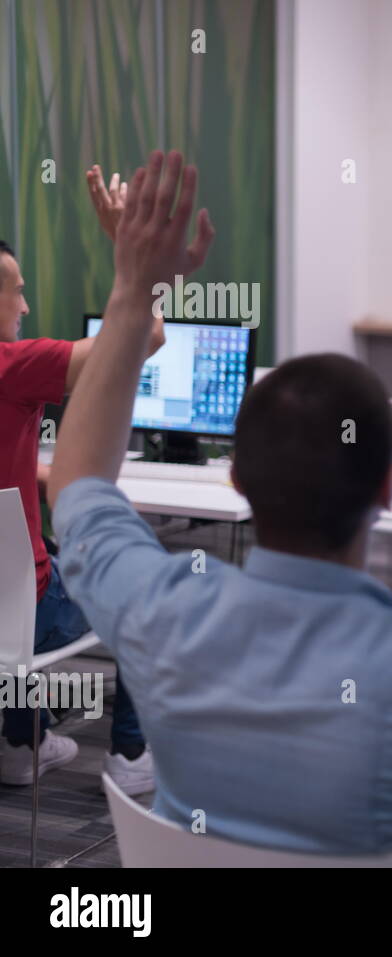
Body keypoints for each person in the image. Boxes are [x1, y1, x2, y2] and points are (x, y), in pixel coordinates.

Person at [48, 150, 392, 865]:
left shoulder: (162, 612)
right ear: (389, 487)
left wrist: (133, 289)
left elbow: (78, 486)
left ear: (236, 479)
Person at [0, 165, 156, 794]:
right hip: (22, 613)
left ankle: (21, 743)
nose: (26, 305)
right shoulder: (15, 365)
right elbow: (143, 338)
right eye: (16, 291)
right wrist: (131, 258)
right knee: (141, 586)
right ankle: (130, 757)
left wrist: (38, 474)